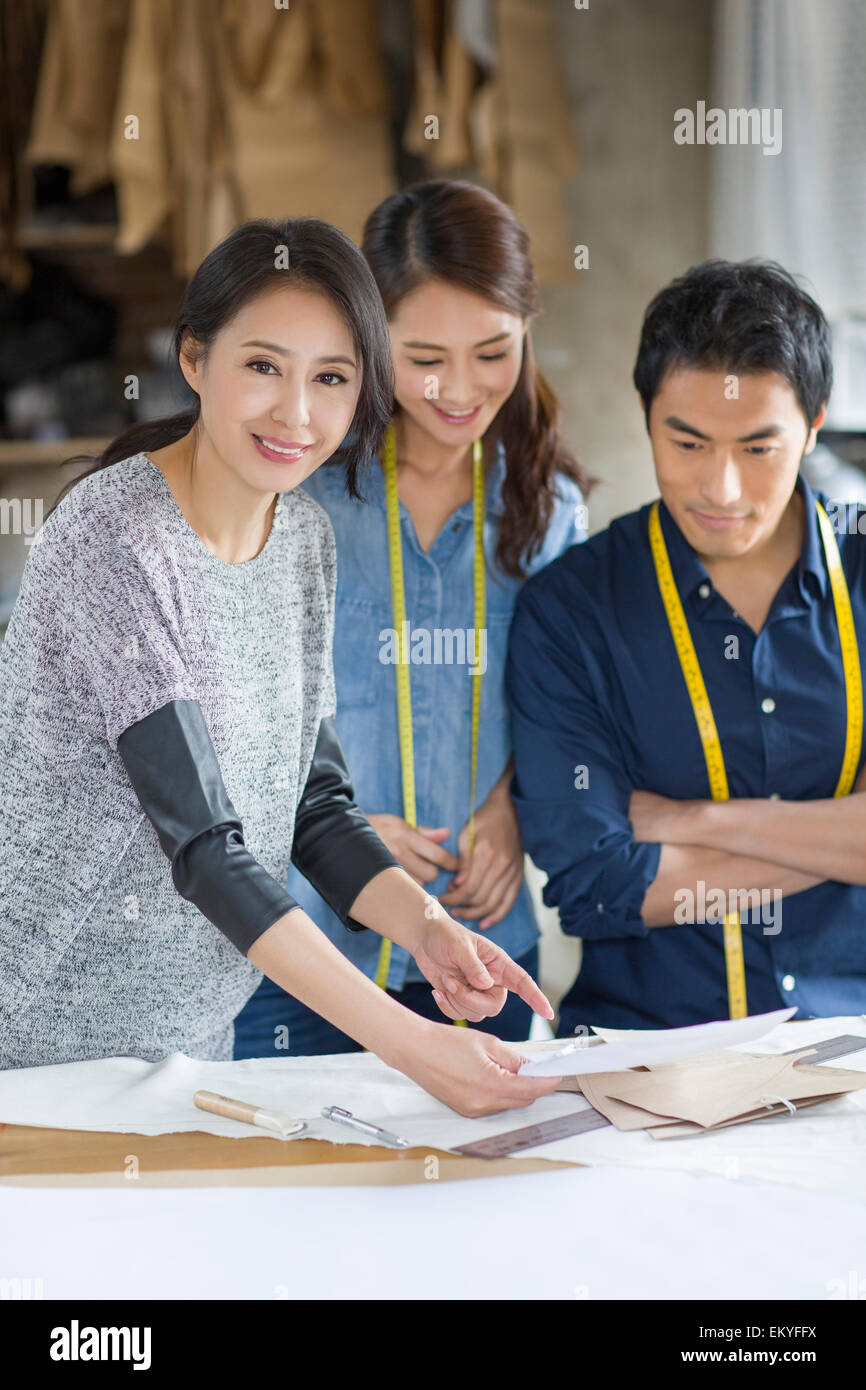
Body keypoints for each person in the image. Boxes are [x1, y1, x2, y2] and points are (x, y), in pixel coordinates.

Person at [0, 215, 563, 1120]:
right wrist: (411, 1044)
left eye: (332, 378)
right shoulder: (116, 541)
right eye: (263, 366)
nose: (297, 414)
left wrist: (428, 930)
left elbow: (313, 802)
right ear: (194, 361)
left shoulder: (299, 533)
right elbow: (207, 849)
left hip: (190, 1046)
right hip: (44, 1045)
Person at [234, 181, 590, 1058]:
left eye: (494, 352)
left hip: (484, 941)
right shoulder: (294, 494)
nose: (461, 390)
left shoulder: (551, 512)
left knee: (485, 1185)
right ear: (368, 340)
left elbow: (564, 713)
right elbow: (228, 721)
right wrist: (333, 836)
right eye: (424, 355)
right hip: (305, 940)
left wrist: (509, 809)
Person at [507, 259, 866, 1031]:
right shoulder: (571, 611)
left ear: (814, 425)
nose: (721, 490)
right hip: (647, 1062)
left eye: (758, 448)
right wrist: (835, 840)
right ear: (646, 415)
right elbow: (596, 885)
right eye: (690, 443)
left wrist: (690, 820)